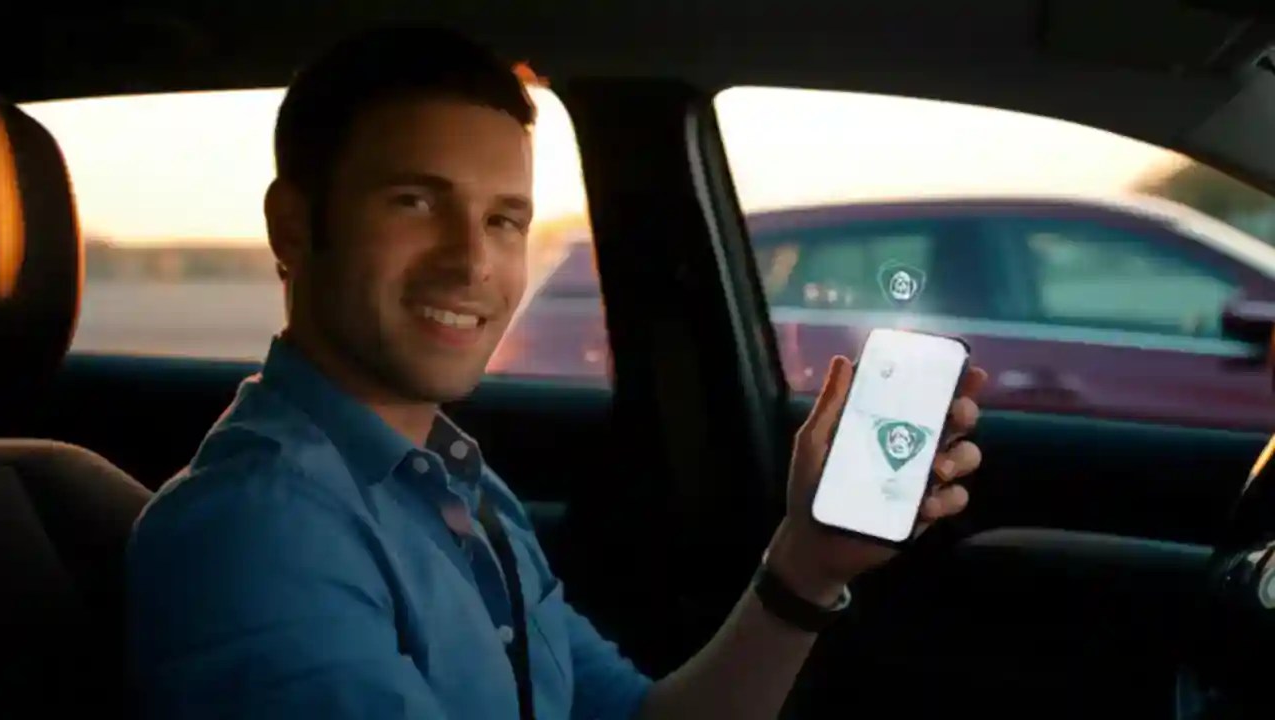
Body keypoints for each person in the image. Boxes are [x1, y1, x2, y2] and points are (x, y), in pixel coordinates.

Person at [125, 26, 986, 720]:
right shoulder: (255, 533)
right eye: (416, 203)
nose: (473, 263)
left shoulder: (460, 490)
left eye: (504, 220)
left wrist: (807, 564)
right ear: (291, 229)